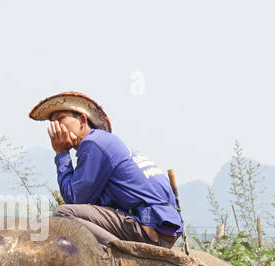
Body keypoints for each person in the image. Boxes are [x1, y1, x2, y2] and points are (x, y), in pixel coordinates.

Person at [28, 92, 184, 248]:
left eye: (60, 119)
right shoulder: (103, 142)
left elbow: (74, 198)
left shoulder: (93, 143)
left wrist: (61, 153)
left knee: (64, 214)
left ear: (82, 120)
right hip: (164, 225)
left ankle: (118, 253)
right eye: (52, 123)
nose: (55, 128)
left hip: (150, 225)